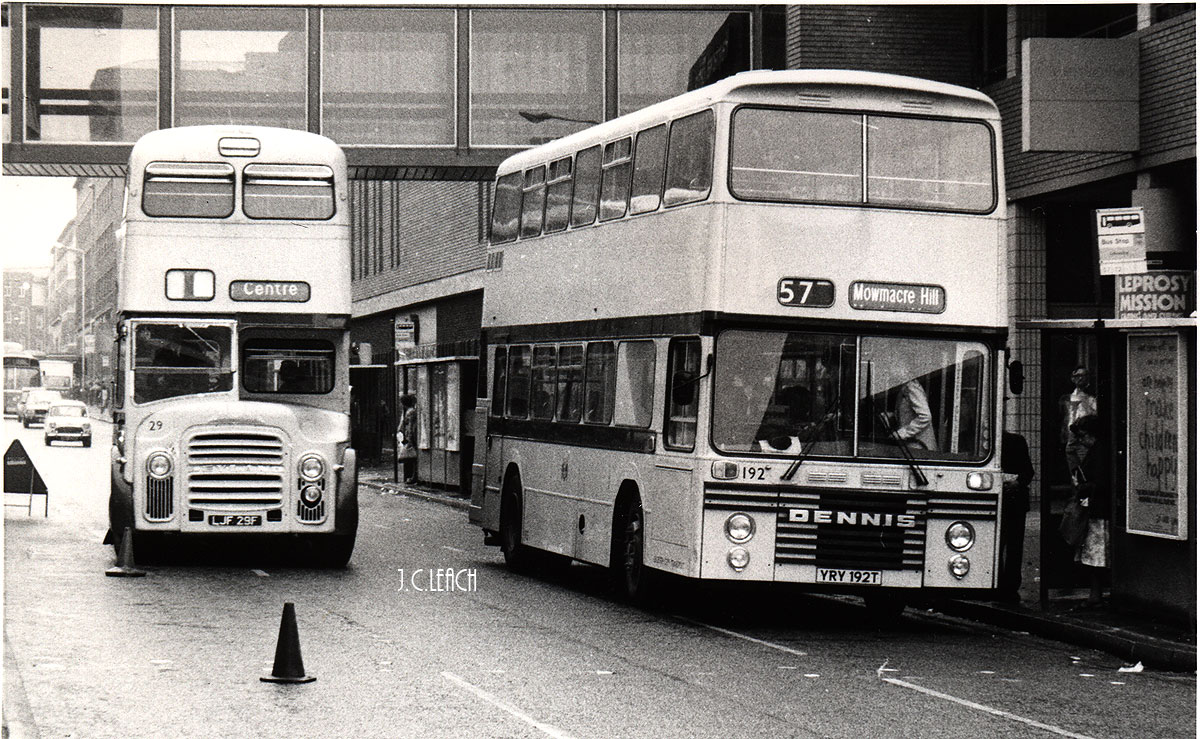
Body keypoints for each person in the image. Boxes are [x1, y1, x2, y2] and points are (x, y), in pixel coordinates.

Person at [1069, 414, 1109, 606]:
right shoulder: (1097, 450)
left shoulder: (1099, 452)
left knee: (1094, 555)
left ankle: (1096, 595)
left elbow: (1100, 482)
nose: (1082, 441)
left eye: (1084, 436)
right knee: (1095, 554)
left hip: (1098, 510)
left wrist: (1082, 486)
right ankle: (1096, 594)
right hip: (1096, 508)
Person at [999, 431, 1035, 601]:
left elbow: (1028, 471)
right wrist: (1019, 482)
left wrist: (1017, 482)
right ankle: (1010, 585)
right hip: (1016, 500)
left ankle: (1001, 583)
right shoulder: (1017, 440)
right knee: (1014, 545)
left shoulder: (1013, 441)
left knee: (1002, 543)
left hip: (1009, 501)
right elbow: (1029, 471)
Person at [1059, 365, 1098, 473]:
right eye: (1077, 375)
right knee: (1074, 471)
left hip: (1084, 437)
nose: (1080, 378)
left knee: (1084, 468)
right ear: (1073, 378)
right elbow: (1064, 417)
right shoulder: (1066, 398)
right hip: (1070, 437)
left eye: (1084, 375)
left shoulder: (1091, 398)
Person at [892, 374, 937, 451]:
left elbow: (925, 416)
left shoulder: (911, 387)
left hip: (921, 447)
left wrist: (903, 433)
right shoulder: (904, 388)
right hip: (913, 447)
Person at [396, 393, 417, 484]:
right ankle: (413, 476)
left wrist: (409, 438)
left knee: (413, 457)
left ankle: (413, 476)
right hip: (410, 436)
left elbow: (409, 426)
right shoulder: (409, 411)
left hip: (411, 437)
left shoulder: (409, 412)